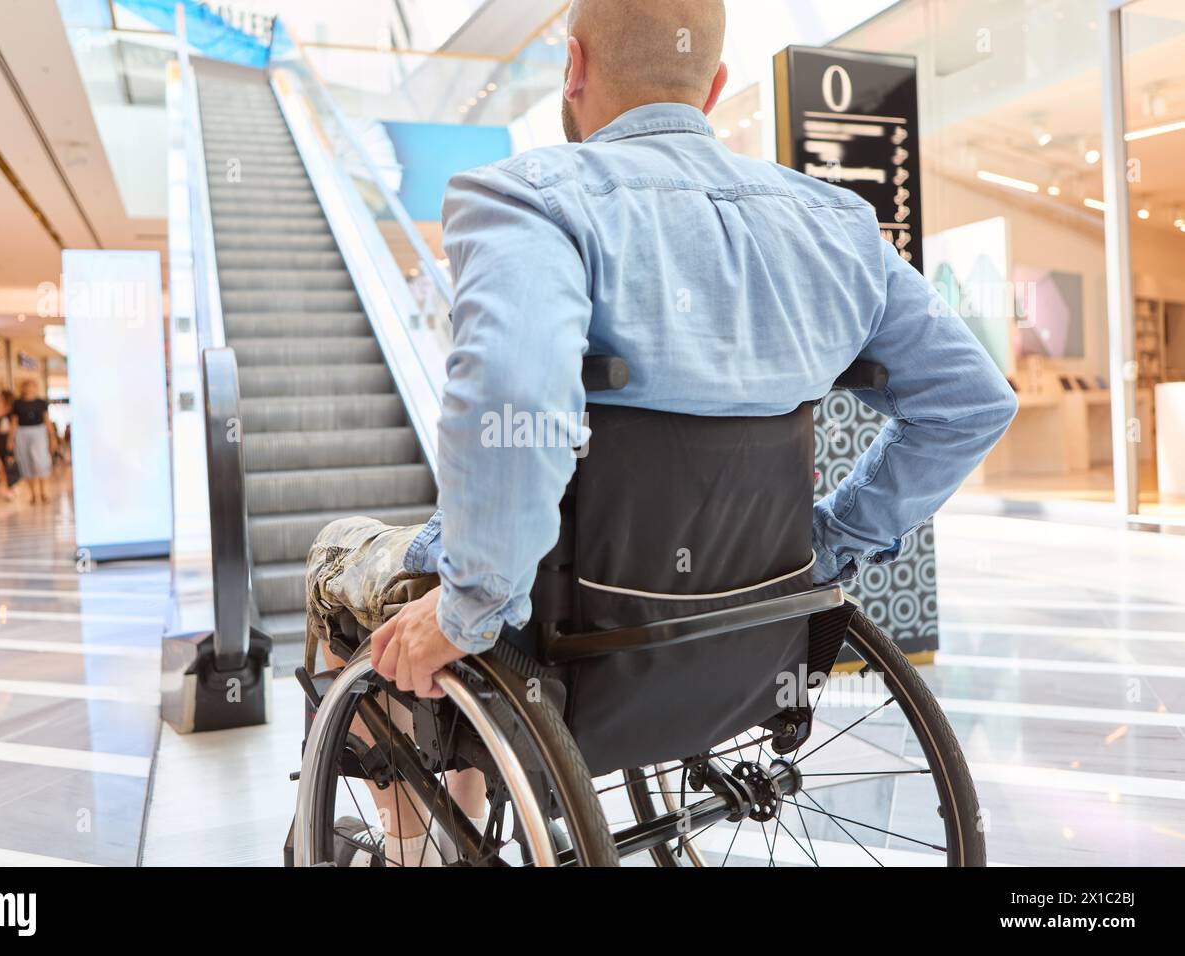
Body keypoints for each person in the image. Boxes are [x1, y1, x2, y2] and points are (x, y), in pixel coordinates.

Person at [304, 0, 1018, 865]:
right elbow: (973, 401)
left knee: (339, 561)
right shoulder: (835, 223)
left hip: (565, 641)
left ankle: (416, 848)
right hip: (758, 636)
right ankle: (466, 782)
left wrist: (473, 605)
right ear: (714, 86)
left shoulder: (530, 200)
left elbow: (514, 400)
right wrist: (827, 540)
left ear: (572, 67)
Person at [8, 380, 55, 504]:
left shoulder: (41, 402)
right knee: (26, 462)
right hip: (22, 432)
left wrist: (52, 437)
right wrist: (10, 438)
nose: (30, 389)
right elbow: (14, 422)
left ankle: (43, 491)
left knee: (40, 461)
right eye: (27, 386)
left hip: (38, 431)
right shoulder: (17, 403)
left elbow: (47, 420)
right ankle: (34, 494)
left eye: (32, 386)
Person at [0, 390, 20, 502]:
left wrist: (11, 440)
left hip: (10, 439)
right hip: (0, 438)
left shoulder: (13, 411)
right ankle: (10, 486)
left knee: (10, 462)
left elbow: (14, 426)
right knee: (3, 463)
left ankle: (12, 486)